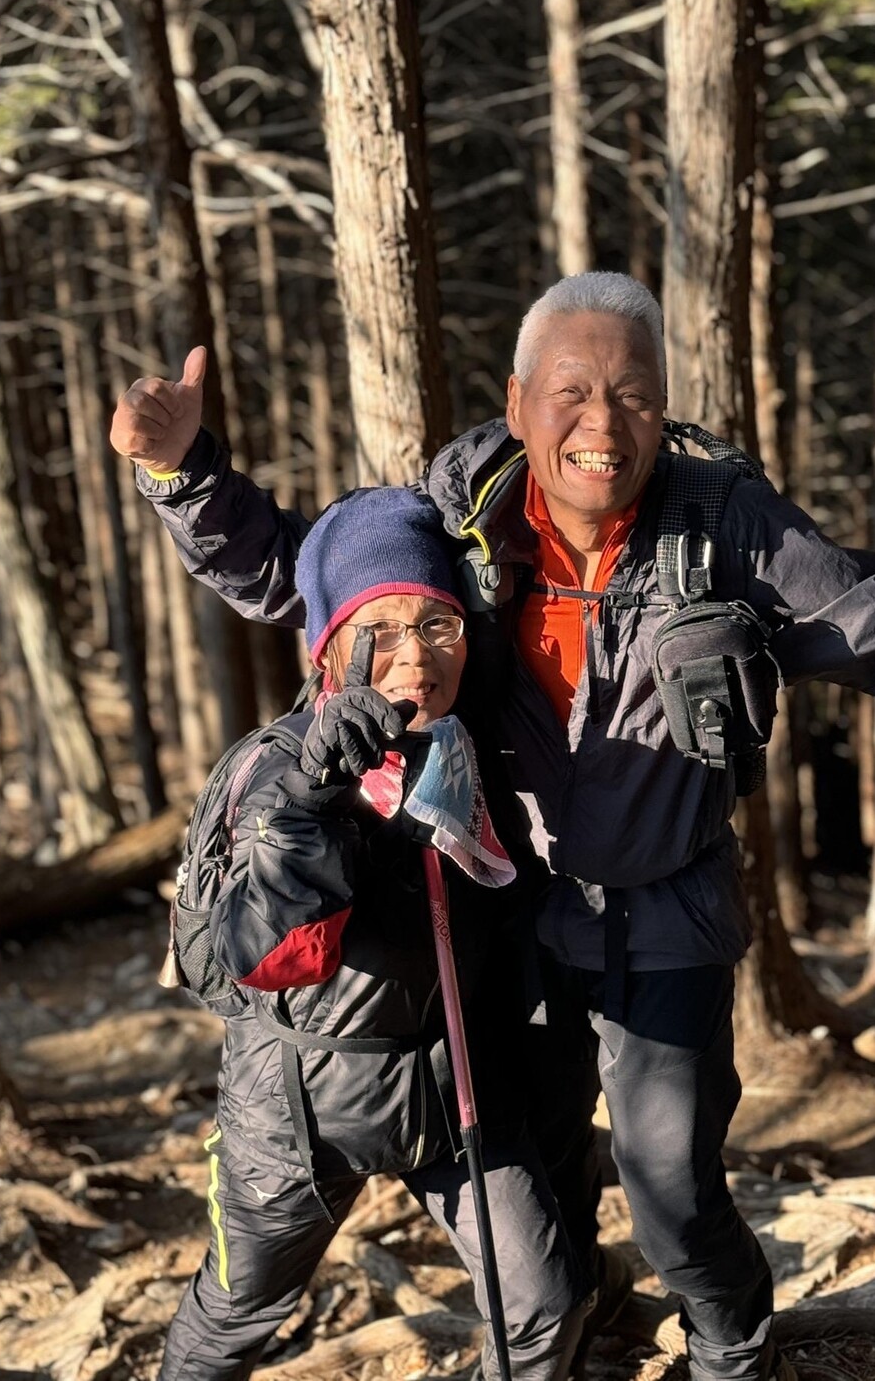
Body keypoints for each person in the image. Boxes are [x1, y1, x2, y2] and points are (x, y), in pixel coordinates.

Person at [112, 271, 875, 1381]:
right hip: (512, 913)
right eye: (570, 390)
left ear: (662, 407)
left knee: (667, 1185)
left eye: (631, 393)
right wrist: (181, 475)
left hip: (665, 907)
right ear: (518, 403)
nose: (600, 421)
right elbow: (314, 571)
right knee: (549, 1162)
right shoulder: (461, 514)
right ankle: (587, 1326)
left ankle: (728, 1345)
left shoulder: (726, 529)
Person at [158, 485, 589, 1381]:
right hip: (294, 1112)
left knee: (542, 1303)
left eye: (436, 624)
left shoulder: (474, 746)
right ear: (327, 647)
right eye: (379, 631)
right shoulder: (270, 767)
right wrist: (315, 801)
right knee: (232, 1317)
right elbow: (242, 966)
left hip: (451, 1091)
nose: (415, 658)